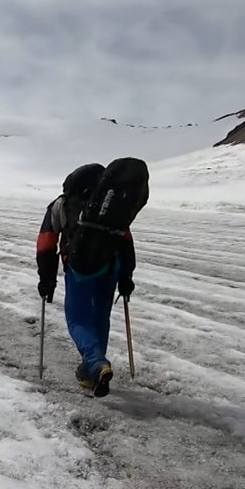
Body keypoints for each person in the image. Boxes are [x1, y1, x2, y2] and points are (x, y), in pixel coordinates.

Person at [36, 161, 139, 397]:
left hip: (79, 269)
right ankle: (92, 371)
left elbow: (46, 245)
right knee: (99, 317)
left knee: (78, 321)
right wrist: (126, 276)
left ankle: (95, 363)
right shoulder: (109, 207)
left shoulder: (61, 204)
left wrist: (47, 280)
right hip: (110, 267)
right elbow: (126, 242)